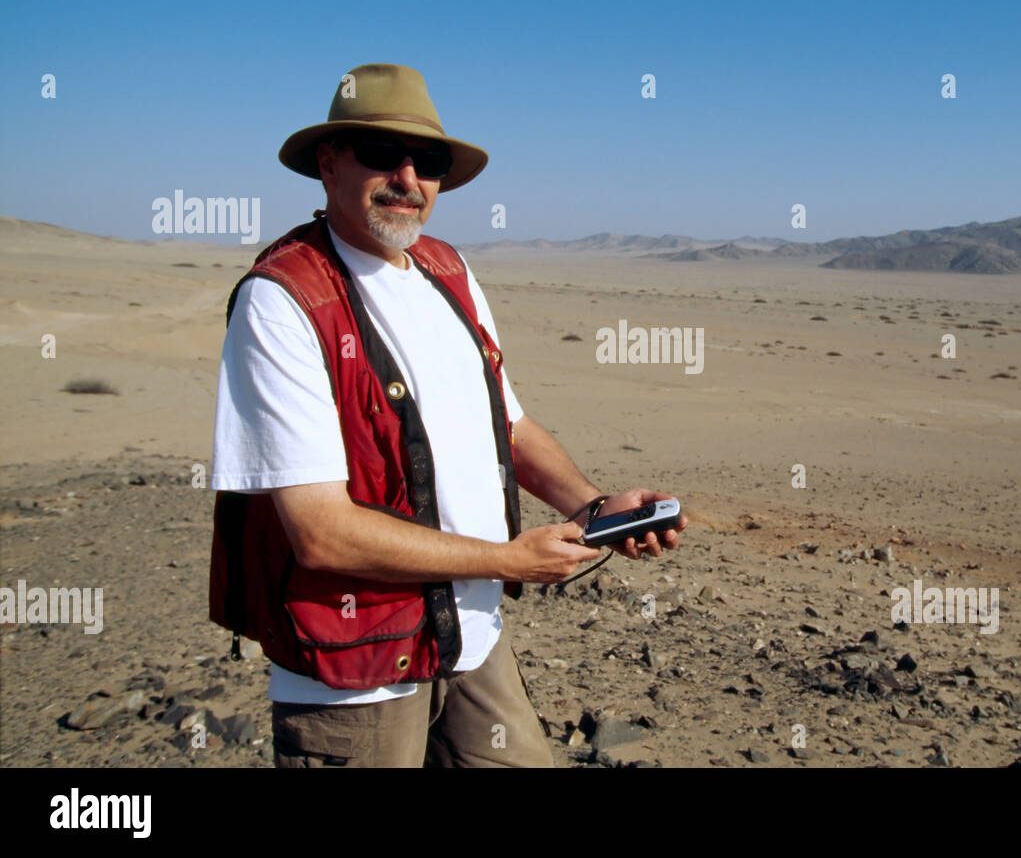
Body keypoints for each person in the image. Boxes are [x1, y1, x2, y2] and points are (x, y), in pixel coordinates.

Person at [208, 62, 687, 767]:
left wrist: (594, 505)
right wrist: (507, 559)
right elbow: (320, 532)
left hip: (471, 638)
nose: (408, 176)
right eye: (382, 154)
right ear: (328, 162)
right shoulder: (284, 300)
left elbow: (510, 427)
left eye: (427, 160)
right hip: (355, 674)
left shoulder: (448, 271)